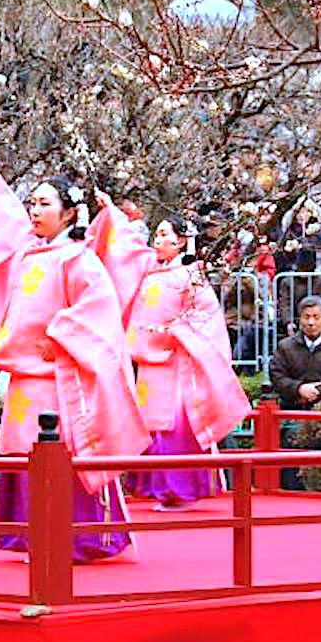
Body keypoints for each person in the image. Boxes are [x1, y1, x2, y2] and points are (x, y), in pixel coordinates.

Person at [0, 176, 149, 562]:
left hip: (58, 374)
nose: (34, 212)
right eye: (32, 204)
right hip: (24, 373)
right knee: (20, 449)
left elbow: (98, 309)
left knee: (55, 450)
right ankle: (29, 535)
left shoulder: (78, 258)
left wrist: (58, 335)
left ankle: (73, 537)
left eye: (44, 204)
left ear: (69, 213)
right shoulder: (26, 257)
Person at [124, 215, 251, 511]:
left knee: (174, 425)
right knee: (150, 422)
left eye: (164, 234)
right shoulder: (151, 273)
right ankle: (157, 488)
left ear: (180, 241)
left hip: (176, 361)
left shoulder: (191, 276)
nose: (157, 239)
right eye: (156, 233)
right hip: (150, 358)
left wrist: (175, 333)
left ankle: (178, 489)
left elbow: (204, 317)